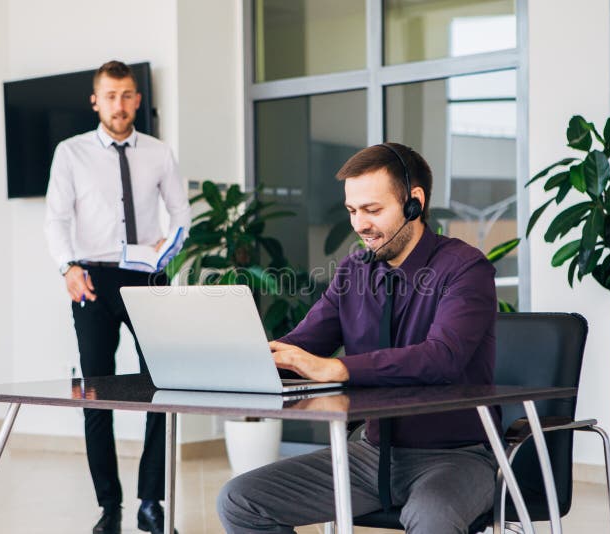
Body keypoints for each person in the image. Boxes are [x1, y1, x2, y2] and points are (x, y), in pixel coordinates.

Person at [217, 143, 498, 534]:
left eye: (372, 210)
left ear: (414, 202)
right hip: (370, 455)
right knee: (240, 501)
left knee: (431, 518)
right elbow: (304, 345)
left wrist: (338, 367)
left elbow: (442, 357)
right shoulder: (354, 271)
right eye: (352, 210)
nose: (359, 224)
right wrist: (243, 360)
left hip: (455, 457)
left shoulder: (465, 268)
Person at [45, 60, 190, 534]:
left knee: (163, 383)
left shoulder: (159, 153)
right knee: (96, 392)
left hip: (146, 277)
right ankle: (110, 507)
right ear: (96, 101)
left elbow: (180, 217)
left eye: (127, 95)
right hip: (91, 278)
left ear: (137, 99)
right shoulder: (71, 153)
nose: (119, 104)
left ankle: (152, 500)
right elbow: (56, 219)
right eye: (110, 96)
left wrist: (163, 252)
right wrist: (67, 267)